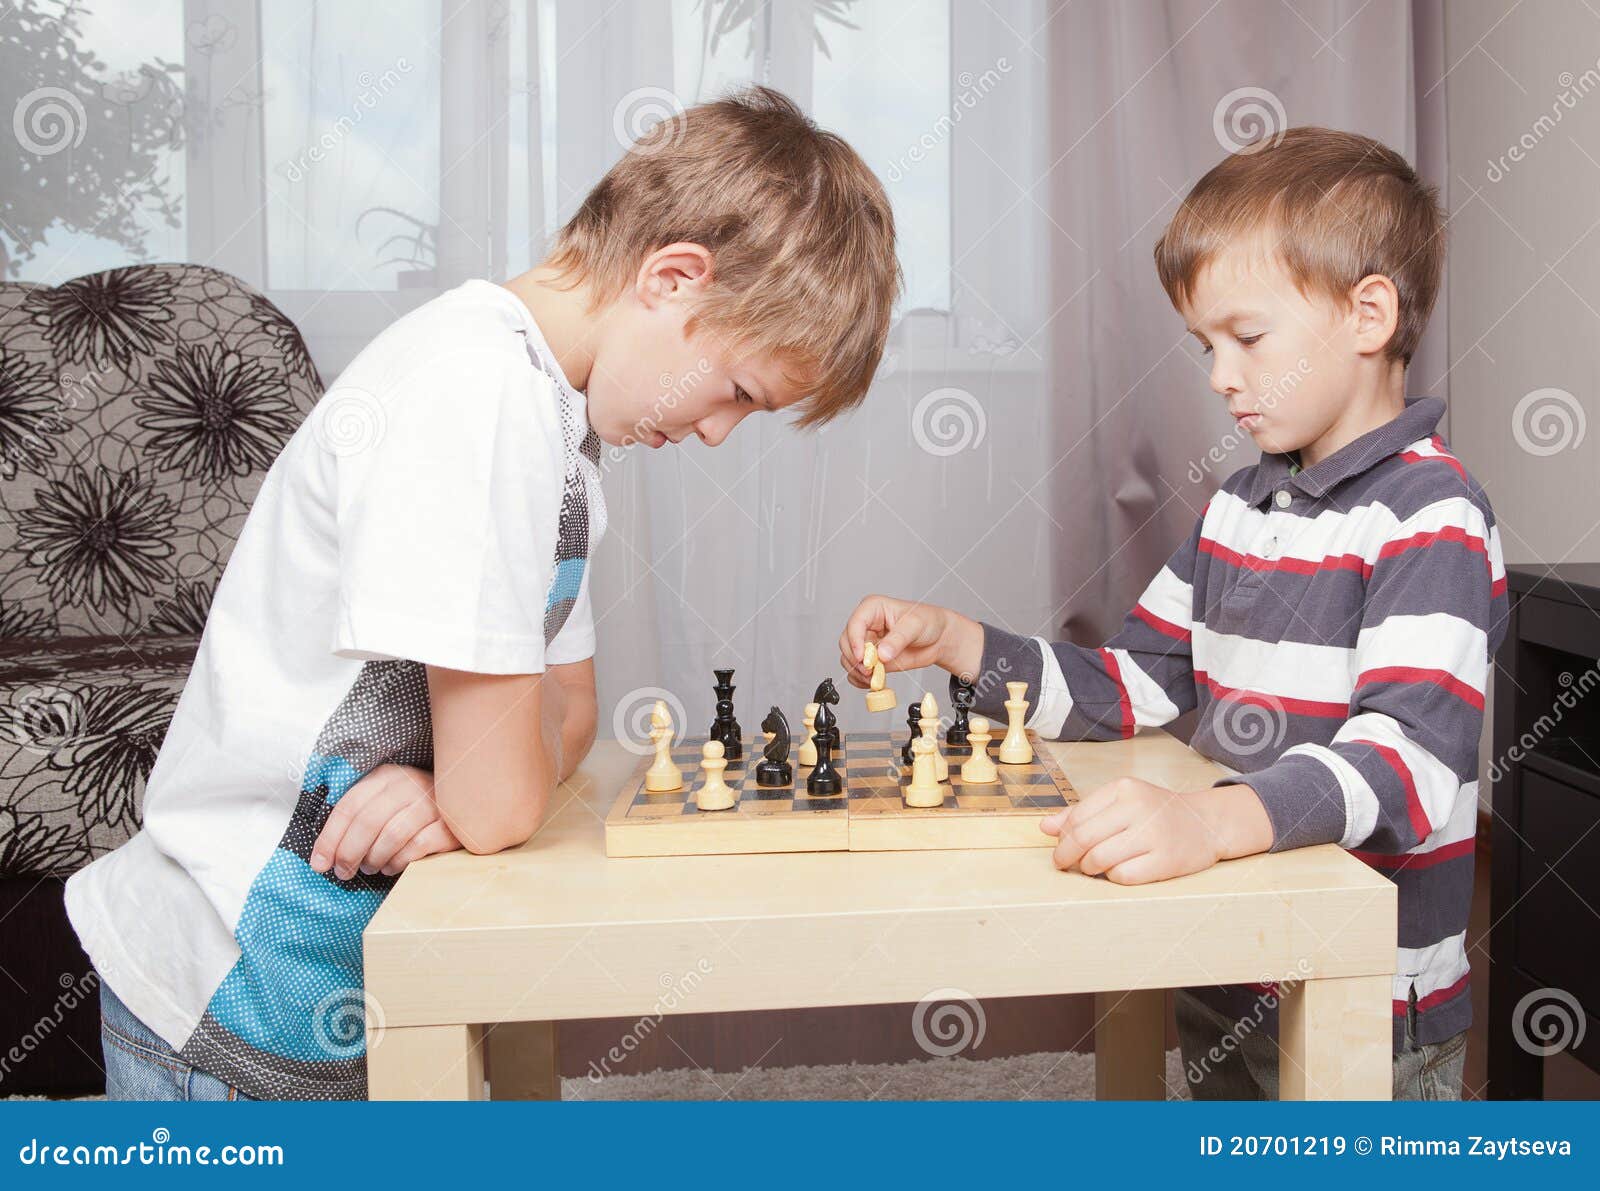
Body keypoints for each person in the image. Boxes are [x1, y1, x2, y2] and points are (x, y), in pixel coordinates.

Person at [69, 86, 900, 1101]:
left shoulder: (559, 435)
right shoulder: (476, 394)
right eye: (737, 391)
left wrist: (454, 786)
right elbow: (504, 799)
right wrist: (478, 784)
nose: (719, 433)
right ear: (674, 277)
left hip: (334, 978)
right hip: (230, 998)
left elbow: (574, 713)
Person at [839, 127, 1502, 1100]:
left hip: (1363, 990)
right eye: (1205, 347)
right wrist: (958, 642)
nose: (1220, 376)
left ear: (1369, 315)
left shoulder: (1431, 515)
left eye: (1247, 338)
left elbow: (1406, 763)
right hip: (1232, 953)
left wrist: (1208, 821)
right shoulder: (1239, 507)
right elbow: (1129, 684)